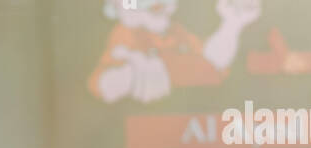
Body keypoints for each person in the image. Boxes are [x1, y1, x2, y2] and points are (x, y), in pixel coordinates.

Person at [89, 0, 262, 105]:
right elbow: (102, 84)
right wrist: (130, 77)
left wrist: (231, 24)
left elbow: (211, 62)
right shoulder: (126, 35)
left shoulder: (176, 33)